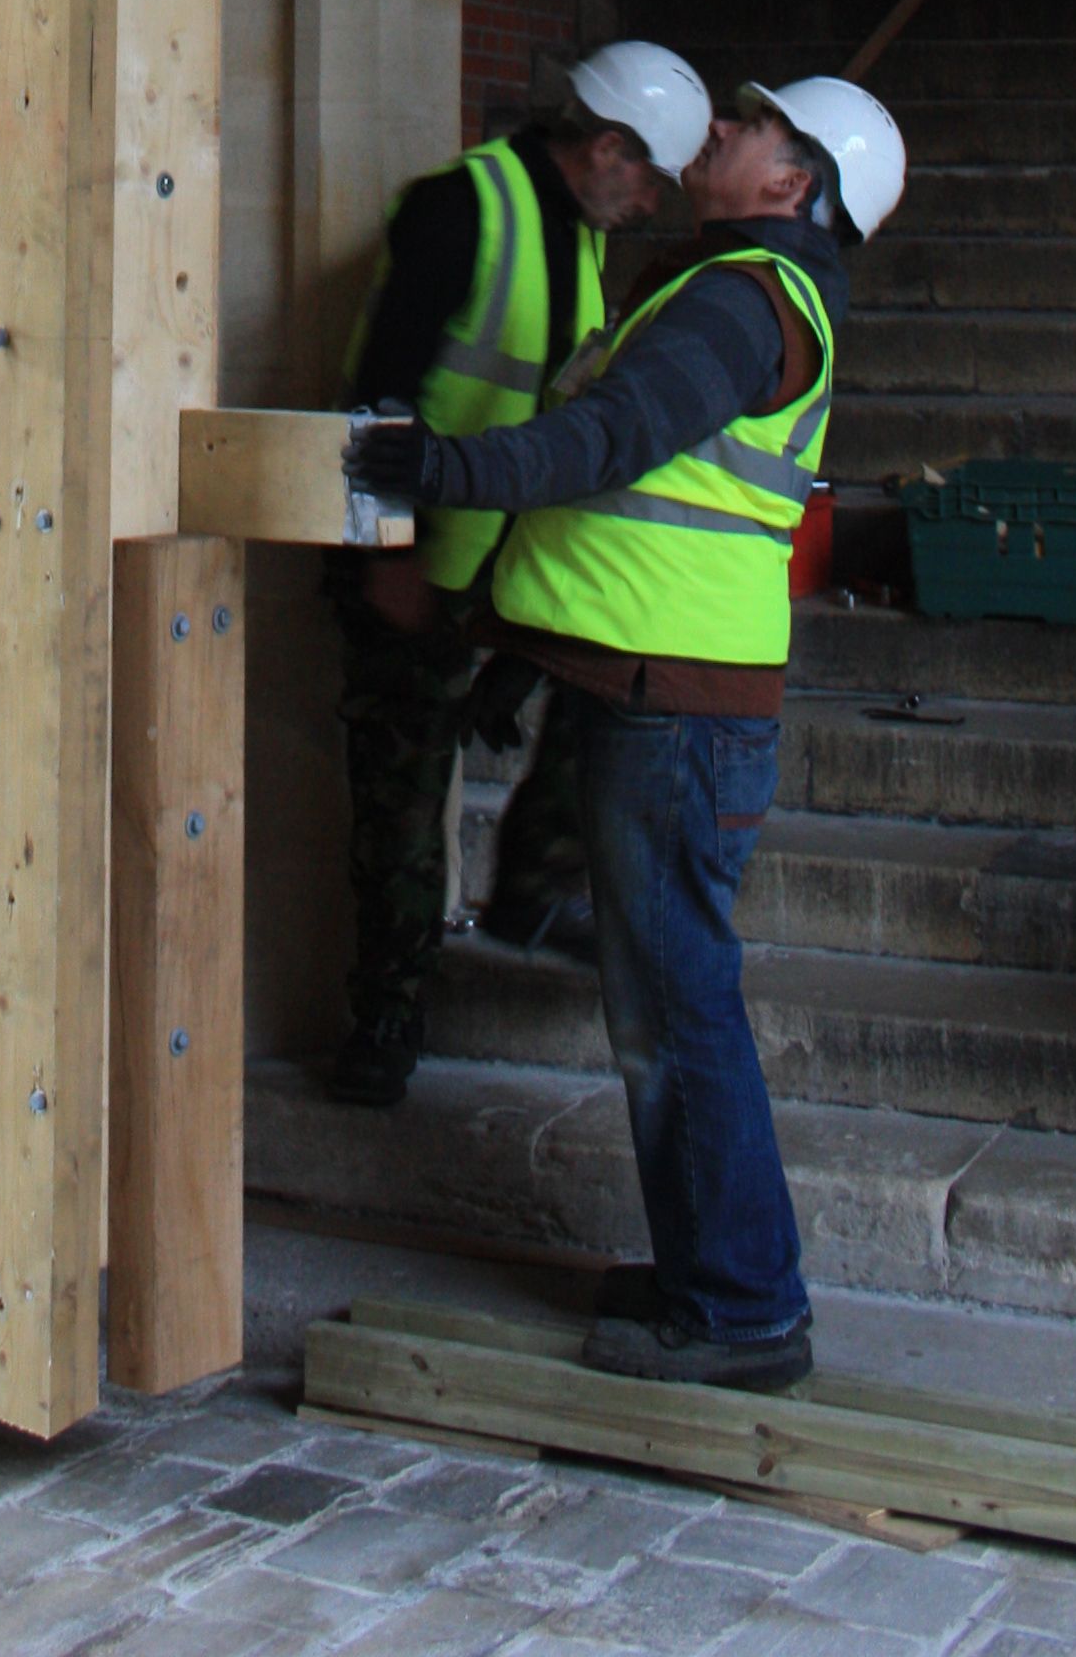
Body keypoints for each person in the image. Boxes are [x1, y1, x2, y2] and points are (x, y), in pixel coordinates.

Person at [349, 73, 907, 1393]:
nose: (718, 129)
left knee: (679, 1017)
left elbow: (606, 445)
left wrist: (440, 469)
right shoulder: (735, 289)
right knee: (667, 1008)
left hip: (679, 722)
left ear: (793, 186)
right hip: (653, 696)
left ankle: (743, 1310)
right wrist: (517, 650)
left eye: (751, 126)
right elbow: (639, 518)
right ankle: (717, 1273)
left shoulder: (740, 301)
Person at [323, 40, 714, 1107]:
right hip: (420, 567)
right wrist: (384, 561)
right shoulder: (464, 208)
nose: (647, 205)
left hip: (500, 569)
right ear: (605, 147)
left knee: (603, 685)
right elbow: (377, 396)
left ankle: (533, 892)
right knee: (401, 810)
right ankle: (385, 1020)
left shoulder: (579, 238)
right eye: (646, 180)